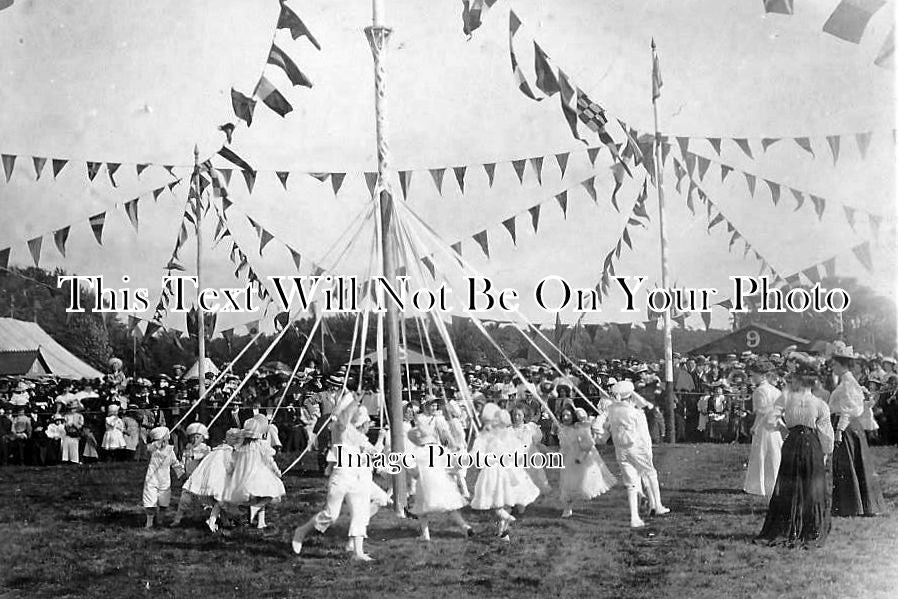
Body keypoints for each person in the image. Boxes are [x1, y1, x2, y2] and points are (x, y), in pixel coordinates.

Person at [292, 393, 388, 561]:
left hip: (356, 478)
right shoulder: (338, 429)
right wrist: (354, 401)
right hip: (341, 477)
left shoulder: (358, 435)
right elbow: (343, 421)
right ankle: (302, 531)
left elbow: (372, 452)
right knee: (331, 515)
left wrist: (380, 439)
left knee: (360, 512)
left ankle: (357, 552)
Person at [756, 352, 833, 547]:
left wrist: (786, 430)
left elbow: (770, 420)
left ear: (797, 381)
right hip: (812, 445)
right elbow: (826, 435)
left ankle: (787, 527)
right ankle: (810, 529)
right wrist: (825, 453)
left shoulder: (786, 398)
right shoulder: (820, 404)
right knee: (811, 487)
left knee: (789, 485)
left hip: (792, 443)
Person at [828, 342, 886, 517]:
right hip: (849, 426)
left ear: (841, 365)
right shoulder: (847, 381)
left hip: (847, 427)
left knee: (849, 465)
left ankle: (852, 505)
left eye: (834, 364)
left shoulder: (847, 383)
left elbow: (849, 409)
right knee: (852, 465)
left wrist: (839, 430)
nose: (832, 368)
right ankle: (853, 504)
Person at [600, 381, 669, 528]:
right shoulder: (635, 413)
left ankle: (635, 517)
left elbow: (602, 424)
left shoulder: (611, 409)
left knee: (631, 484)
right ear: (631, 395)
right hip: (636, 448)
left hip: (620, 450)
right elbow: (644, 432)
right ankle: (658, 506)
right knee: (651, 474)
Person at [470, 404, 538, 539]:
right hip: (492, 471)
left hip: (505, 471)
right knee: (496, 503)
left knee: (502, 502)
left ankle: (503, 532)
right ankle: (506, 520)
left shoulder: (507, 434)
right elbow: (476, 453)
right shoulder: (485, 435)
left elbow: (517, 450)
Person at [222, 417, 286, 530]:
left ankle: (260, 521)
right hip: (259, 475)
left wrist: (231, 472)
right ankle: (256, 509)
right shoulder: (261, 445)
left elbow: (233, 461)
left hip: (243, 476)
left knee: (258, 496)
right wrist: (276, 471)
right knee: (269, 494)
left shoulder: (241, 447)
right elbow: (269, 460)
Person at [556, 406, 616, 518]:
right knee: (568, 485)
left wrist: (580, 457)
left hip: (580, 461)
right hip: (568, 461)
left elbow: (588, 445)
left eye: (568, 415)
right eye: (563, 415)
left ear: (573, 416)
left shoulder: (580, 429)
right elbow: (563, 446)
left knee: (582, 484)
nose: (565, 417)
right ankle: (567, 509)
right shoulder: (563, 430)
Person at [180, 428, 243, 532]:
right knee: (221, 498)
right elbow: (228, 465)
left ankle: (225, 521)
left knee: (219, 500)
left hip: (209, 475)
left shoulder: (219, 448)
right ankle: (212, 521)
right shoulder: (228, 450)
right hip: (217, 476)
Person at [743, 360, 784, 499]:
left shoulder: (759, 391)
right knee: (773, 455)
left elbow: (762, 412)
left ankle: (759, 486)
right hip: (774, 427)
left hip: (764, 427)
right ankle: (772, 485)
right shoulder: (776, 390)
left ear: (763, 376)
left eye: (754, 375)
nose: (752, 378)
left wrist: (755, 426)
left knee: (761, 454)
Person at [143, 426, 185, 528]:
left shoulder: (170, 451)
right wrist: (156, 445)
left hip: (165, 480)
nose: (165, 442)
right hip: (151, 479)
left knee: (163, 501)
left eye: (166, 439)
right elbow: (148, 449)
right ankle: (149, 522)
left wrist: (182, 475)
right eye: (163, 439)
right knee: (150, 501)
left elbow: (175, 464)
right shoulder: (152, 449)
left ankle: (160, 521)